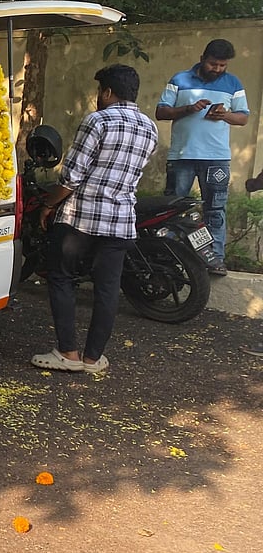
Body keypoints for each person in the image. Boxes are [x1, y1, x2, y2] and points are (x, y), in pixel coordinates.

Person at [31, 64, 158, 374]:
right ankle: (93, 359)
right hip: (120, 220)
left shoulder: (98, 120)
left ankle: (67, 353)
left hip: (81, 219)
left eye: (99, 92)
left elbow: (72, 176)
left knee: (60, 276)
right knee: (107, 288)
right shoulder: (150, 127)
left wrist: (48, 205)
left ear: (107, 92)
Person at [155, 39, 250, 276]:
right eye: (213, 64)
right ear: (202, 58)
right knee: (173, 208)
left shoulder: (233, 83)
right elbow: (161, 112)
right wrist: (189, 108)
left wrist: (225, 115)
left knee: (215, 210)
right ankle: (169, 257)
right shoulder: (179, 80)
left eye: (222, 65)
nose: (217, 69)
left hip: (217, 158)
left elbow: (243, 118)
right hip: (182, 157)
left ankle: (215, 259)